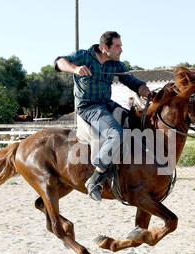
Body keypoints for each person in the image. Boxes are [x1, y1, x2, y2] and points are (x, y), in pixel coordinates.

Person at [55, 31, 151, 201]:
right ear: (104, 47)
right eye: (117, 46)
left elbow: (132, 82)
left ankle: (130, 171)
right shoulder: (84, 56)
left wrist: (145, 90)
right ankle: (96, 177)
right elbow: (59, 62)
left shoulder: (115, 64)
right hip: (88, 107)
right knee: (116, 134)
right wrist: (75, 69)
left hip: (107, 104)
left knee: (136, 122)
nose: (121, 50)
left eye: (121, 46)